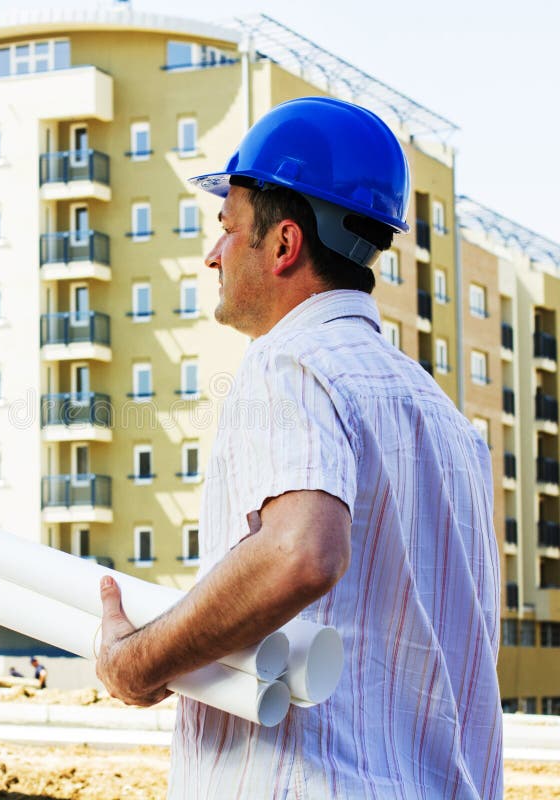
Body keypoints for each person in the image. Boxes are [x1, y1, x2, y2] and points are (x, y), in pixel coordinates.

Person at [95, 96, 503, 798]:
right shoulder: (445, 422)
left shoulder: (290, 363)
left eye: (227, 228)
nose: (211, 253)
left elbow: (301, 551)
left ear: (283, 245)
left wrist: (138, 662)